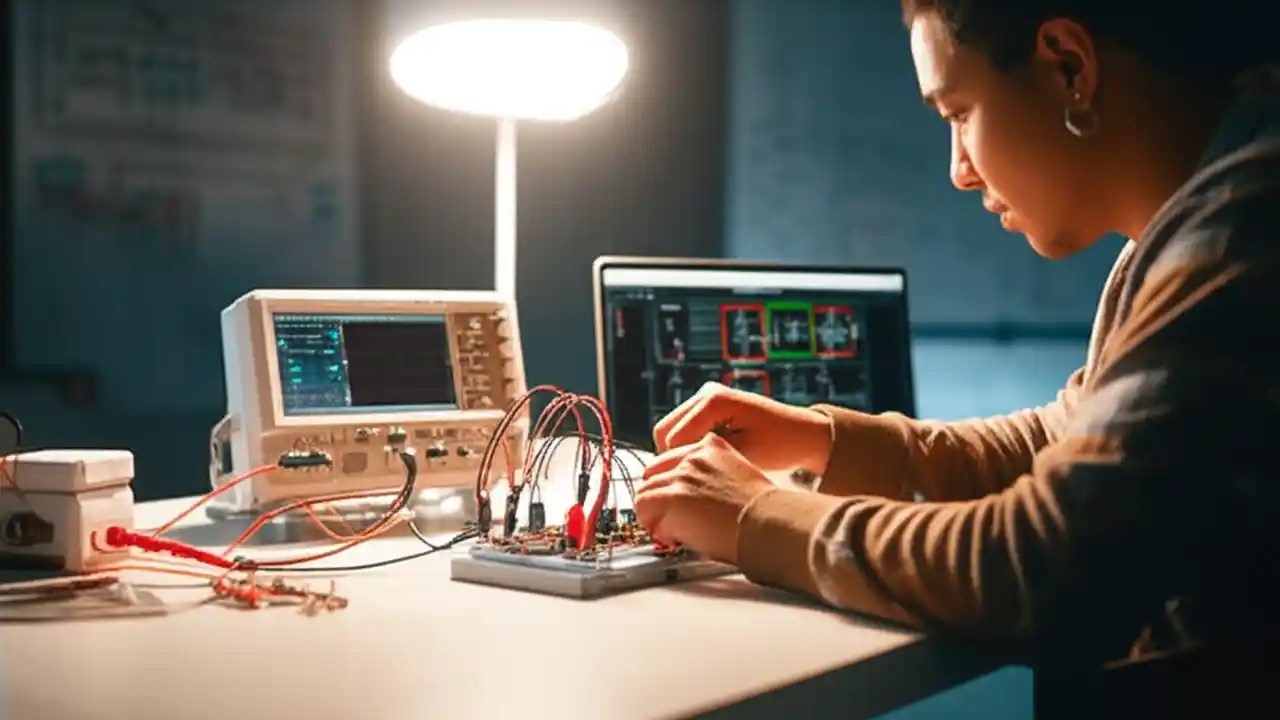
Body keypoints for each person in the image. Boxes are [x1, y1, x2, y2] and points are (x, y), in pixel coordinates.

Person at [633, 1, 1280, 715]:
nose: (959, 172)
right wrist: (826, 439)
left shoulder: (1243, 236)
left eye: (958, 112)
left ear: (1070, 67)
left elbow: (1041, 566)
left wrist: (761, 518)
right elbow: (1059, 440)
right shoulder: (1194, 220)